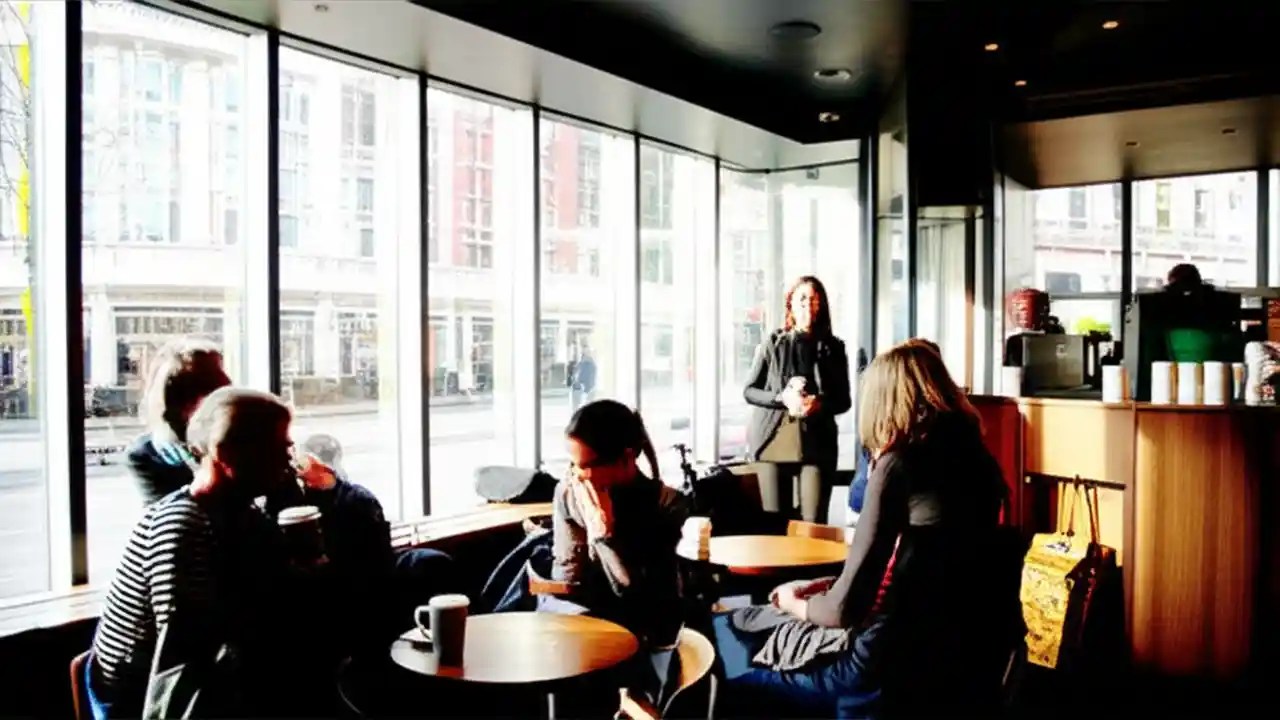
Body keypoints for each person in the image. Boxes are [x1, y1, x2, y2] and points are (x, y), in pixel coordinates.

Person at [712, 340, 1018, 719]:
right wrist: (824, 586)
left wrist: (796, 603)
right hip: (950, 660)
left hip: (875, 670)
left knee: (725, 648)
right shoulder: (981, 465)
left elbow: (845, 609)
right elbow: (909, 571)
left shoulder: (898, 465)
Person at [87, 388, 354, 717]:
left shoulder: (240, 512)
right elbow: (185, 665)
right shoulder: (183, 527)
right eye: (276, 449)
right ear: (225, 454)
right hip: (141, 701)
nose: (288, 460)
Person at [547, 400, 690, 711]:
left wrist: (603, 535)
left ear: (626, 458)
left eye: (587, 465)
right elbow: (568, 578)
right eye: (573, 464)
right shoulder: (570, 492)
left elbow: (641, 595)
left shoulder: (668, 505)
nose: (578, 475)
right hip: (586, 620)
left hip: (647, 628)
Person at [744, 275, 852, 523]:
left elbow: (844, 400)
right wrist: (781, 398)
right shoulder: (774, 342)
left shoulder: (834, 348)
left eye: (814, 299)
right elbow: (750, 390)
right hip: (773, 439)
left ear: (822, 305)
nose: (808, 304)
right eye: (802, 298)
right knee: (773, 523)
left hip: (816, 444)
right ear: (791, 303)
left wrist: (820, 404)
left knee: (813, 522)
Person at [125, 338, 231, 506]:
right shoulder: (150, 453)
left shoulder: (240, 433)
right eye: (214, 385)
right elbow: (165, 512)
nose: (228, 387)